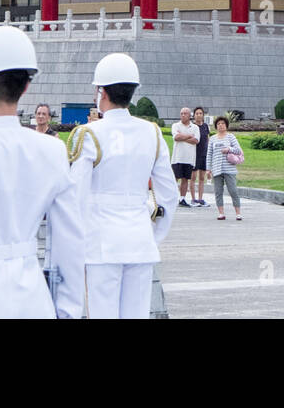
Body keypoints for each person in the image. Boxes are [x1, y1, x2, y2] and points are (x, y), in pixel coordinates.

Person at [0, 26, 84, 318]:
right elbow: (70, 241)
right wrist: (69, 309)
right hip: (32, 297)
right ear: (25, 87)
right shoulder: (52, 151)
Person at [69, 52, 178, 319]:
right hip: (140, 241)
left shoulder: (89, 134)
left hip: (101, 244)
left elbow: (75, 197)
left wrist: (76, 243)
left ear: (101, 92)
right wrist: (154, 235)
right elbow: (169, 195)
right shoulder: (151, 132)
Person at [207, 115, 243, 221]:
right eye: (218, 124)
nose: (220, 125)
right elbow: (209, 154)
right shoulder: (213, 138)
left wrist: (228, 149)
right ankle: (221, 213)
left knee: (233, 190)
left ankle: (238, 213)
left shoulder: (231, 137)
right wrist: (208, 169)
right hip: (217, 169)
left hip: (229, 169)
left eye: (222, 123)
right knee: (218, 191)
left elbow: (238, 150)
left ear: (226, 125)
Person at [170, 107, 200, 207]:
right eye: (181, 113)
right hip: (177, 157)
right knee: (175, 178)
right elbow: (176, 137)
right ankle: (171, 198)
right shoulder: (175, 125)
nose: (183, 115)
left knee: (185, 179)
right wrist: (189, 136)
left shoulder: (195, 127)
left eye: (185, 113)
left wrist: (182, 137)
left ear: (189, 115)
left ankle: (182, 199)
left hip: (189, 158)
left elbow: (196, 140)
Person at [191, 106, 210, 207]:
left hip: (204, 155)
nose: (199, 115)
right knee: (193, 177)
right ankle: (193, 199)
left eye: (200, 113)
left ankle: (200, 199)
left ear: (203, 115)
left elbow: (207, 139)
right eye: (197, 113)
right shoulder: (192, 127)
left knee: (202, 178)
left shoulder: (206, 126)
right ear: (194, 115)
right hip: (194, 155)